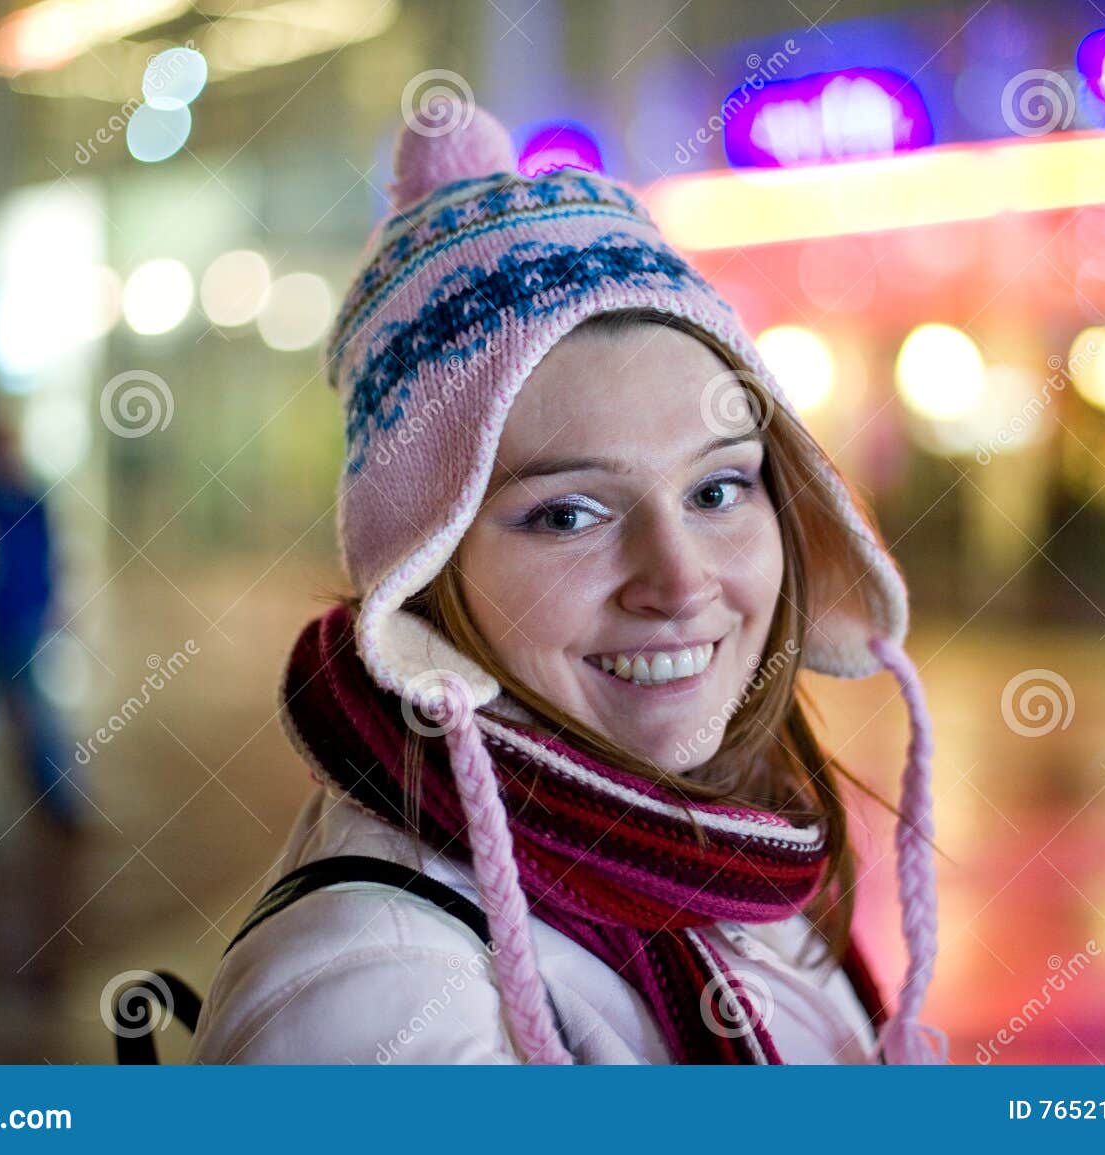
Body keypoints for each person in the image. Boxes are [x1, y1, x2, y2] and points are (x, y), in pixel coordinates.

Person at [186, 101, 946, 1065]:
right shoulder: (374, 998)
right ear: (423, 573)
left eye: (717, 488)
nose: (678, 583)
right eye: (567, 514)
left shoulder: (715, 844)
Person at [0, 418, 86, 829]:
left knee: (36, 714)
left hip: (24, 623)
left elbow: (50, 559)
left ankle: (59, 796)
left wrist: (58, 605)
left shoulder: (33, 501)